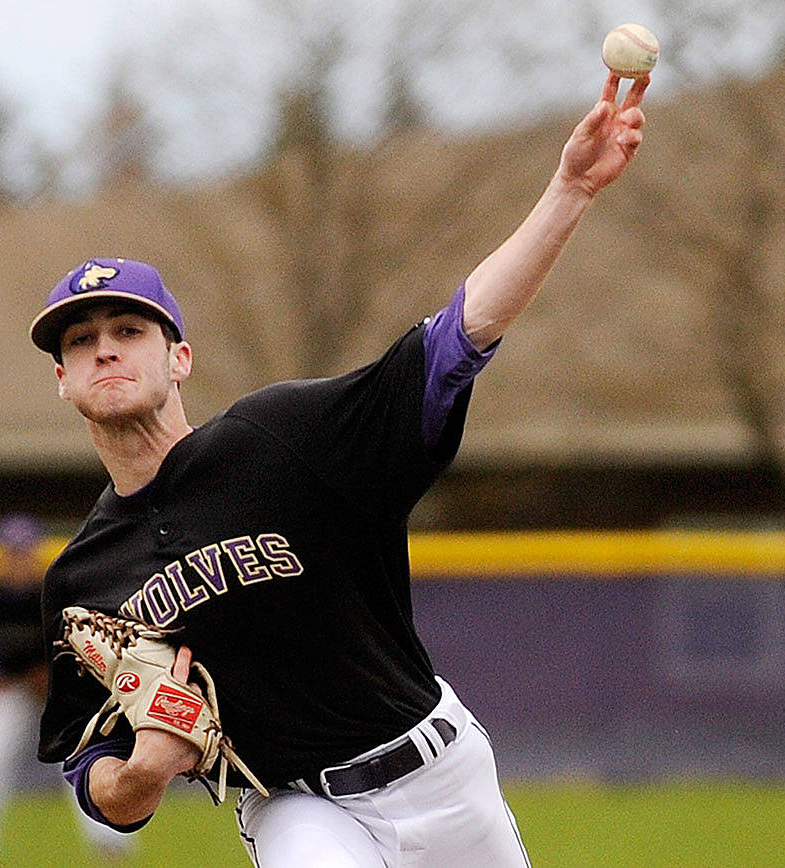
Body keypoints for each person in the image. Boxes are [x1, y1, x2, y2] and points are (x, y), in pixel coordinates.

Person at [32, 72, 649, 867]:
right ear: (61, 379)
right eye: (79, 341)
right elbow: (93, 779)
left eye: (127, 328)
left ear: (180, 357)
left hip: (442, 774)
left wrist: (569, 190)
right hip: (300, 810)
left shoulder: (282, 439)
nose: (104, 347)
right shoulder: (81, 582)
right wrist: (142, 773)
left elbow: (454, 344)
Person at [0, 513, 133, 863]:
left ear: (34, 553)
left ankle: (110, 838)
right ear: (1, 554)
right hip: (9, 690)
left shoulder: (51, 590)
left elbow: (77, 636)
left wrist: (51, 672)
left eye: (24, 551)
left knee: (82, 758)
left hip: (55, 690)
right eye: (12, 551)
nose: (18, 558)